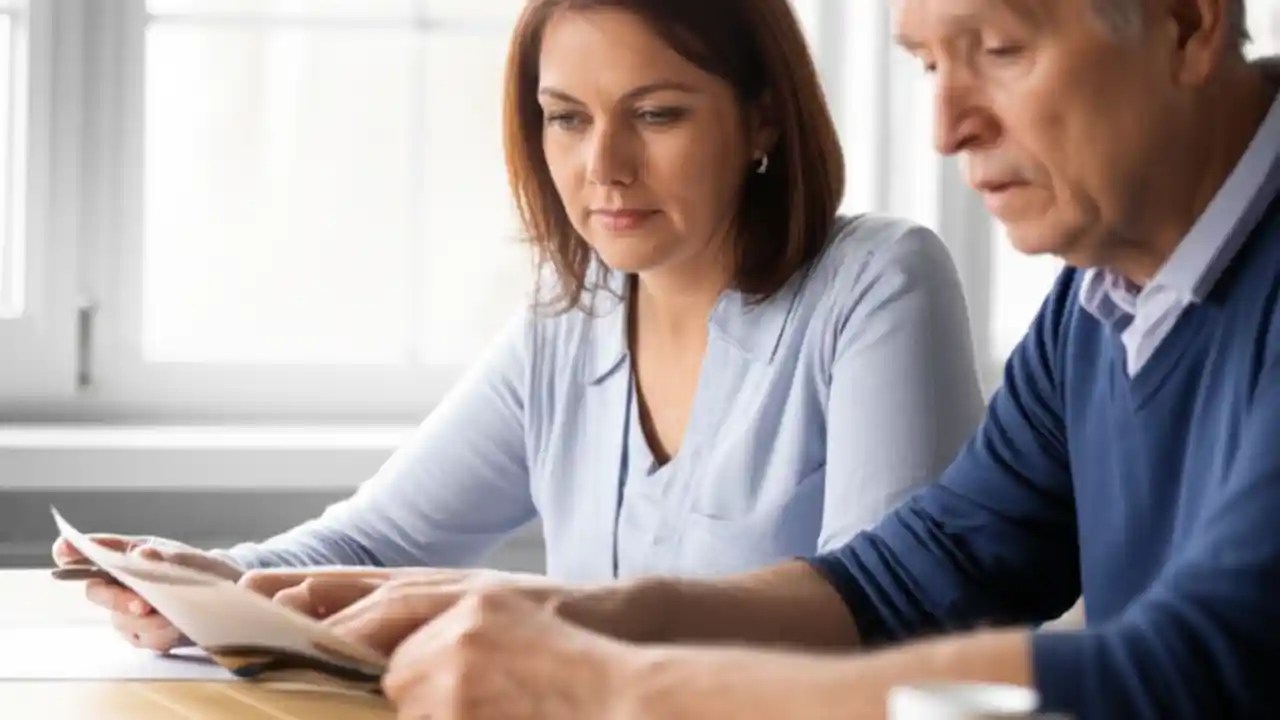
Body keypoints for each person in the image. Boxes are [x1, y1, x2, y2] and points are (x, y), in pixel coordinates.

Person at [247, 0, 1280, 718]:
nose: (945, 126)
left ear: (1183, 23)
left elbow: (1202, 673)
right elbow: (921, 576)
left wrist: (616, 690)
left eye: (998, 49)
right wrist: (564, 610)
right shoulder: (1095, 305)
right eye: (926, 62)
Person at [52, 0, 983, 654]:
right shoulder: (569, 324)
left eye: (656, 114)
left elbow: (890, 622)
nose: (603, 166)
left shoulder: (880, 287)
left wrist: (533, 611)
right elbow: (379, 546)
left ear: (762, 120)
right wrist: (210, 582)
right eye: (565, 119)